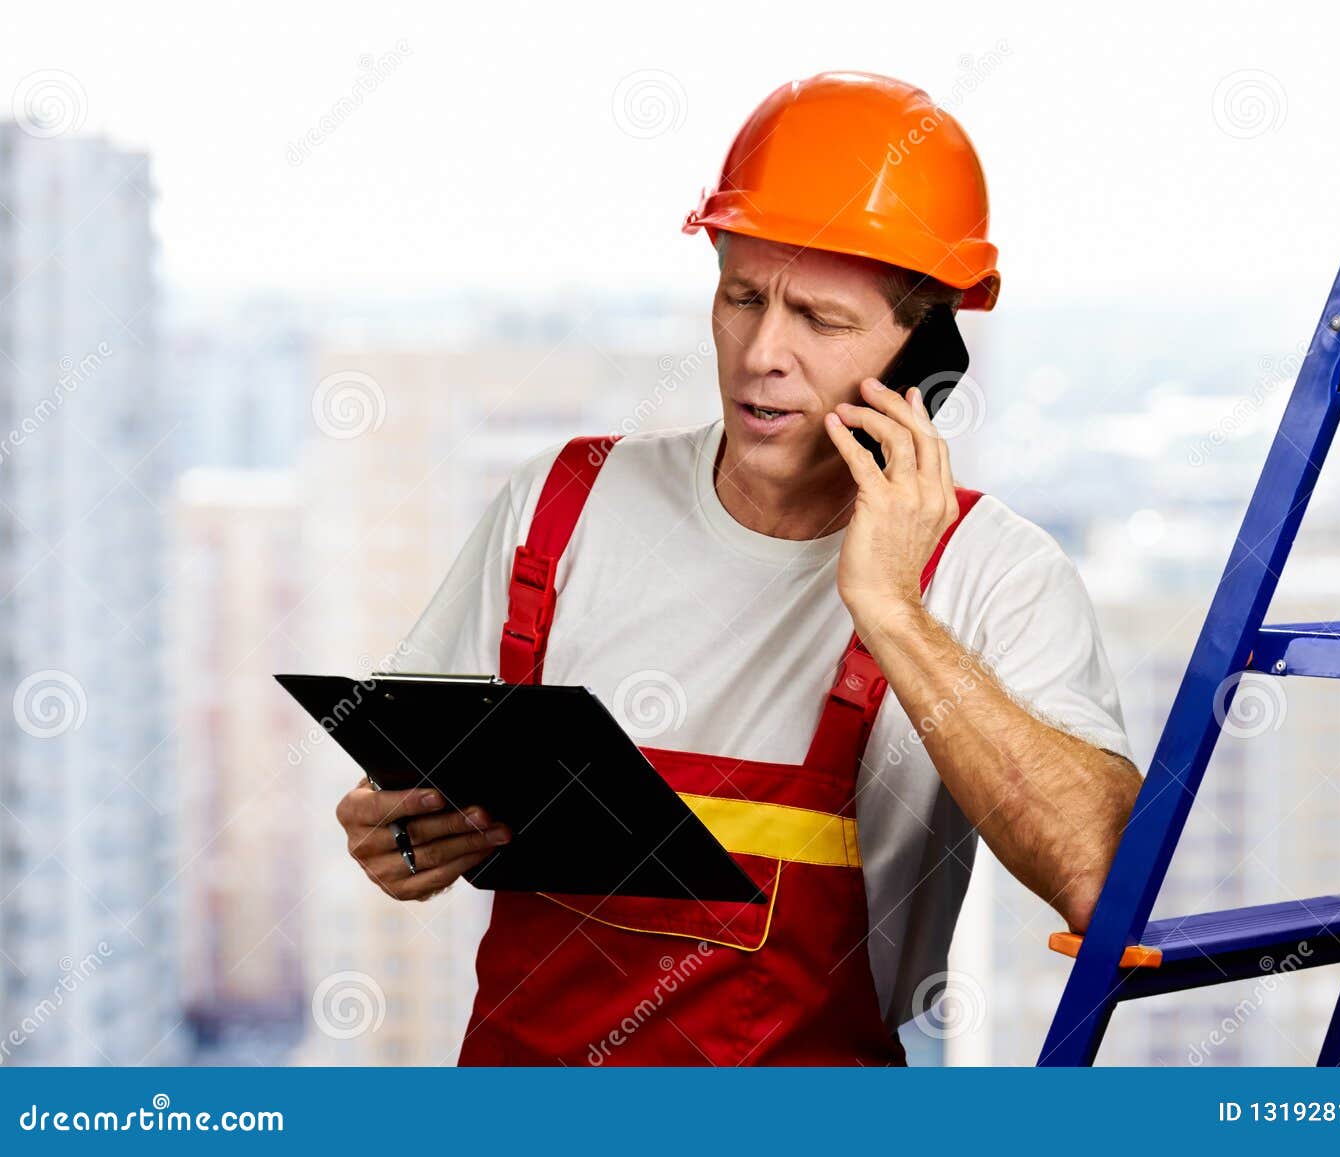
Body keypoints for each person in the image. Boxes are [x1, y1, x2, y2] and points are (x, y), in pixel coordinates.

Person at [333, 71, 1142, 1065]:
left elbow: (1094, 871)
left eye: (821, 320)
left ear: (925, 352)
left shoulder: (992, 572)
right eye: (742, 297)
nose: (762, 350)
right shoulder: (563, 505)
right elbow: (404, 792)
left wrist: (891, 607)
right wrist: (398, 834)